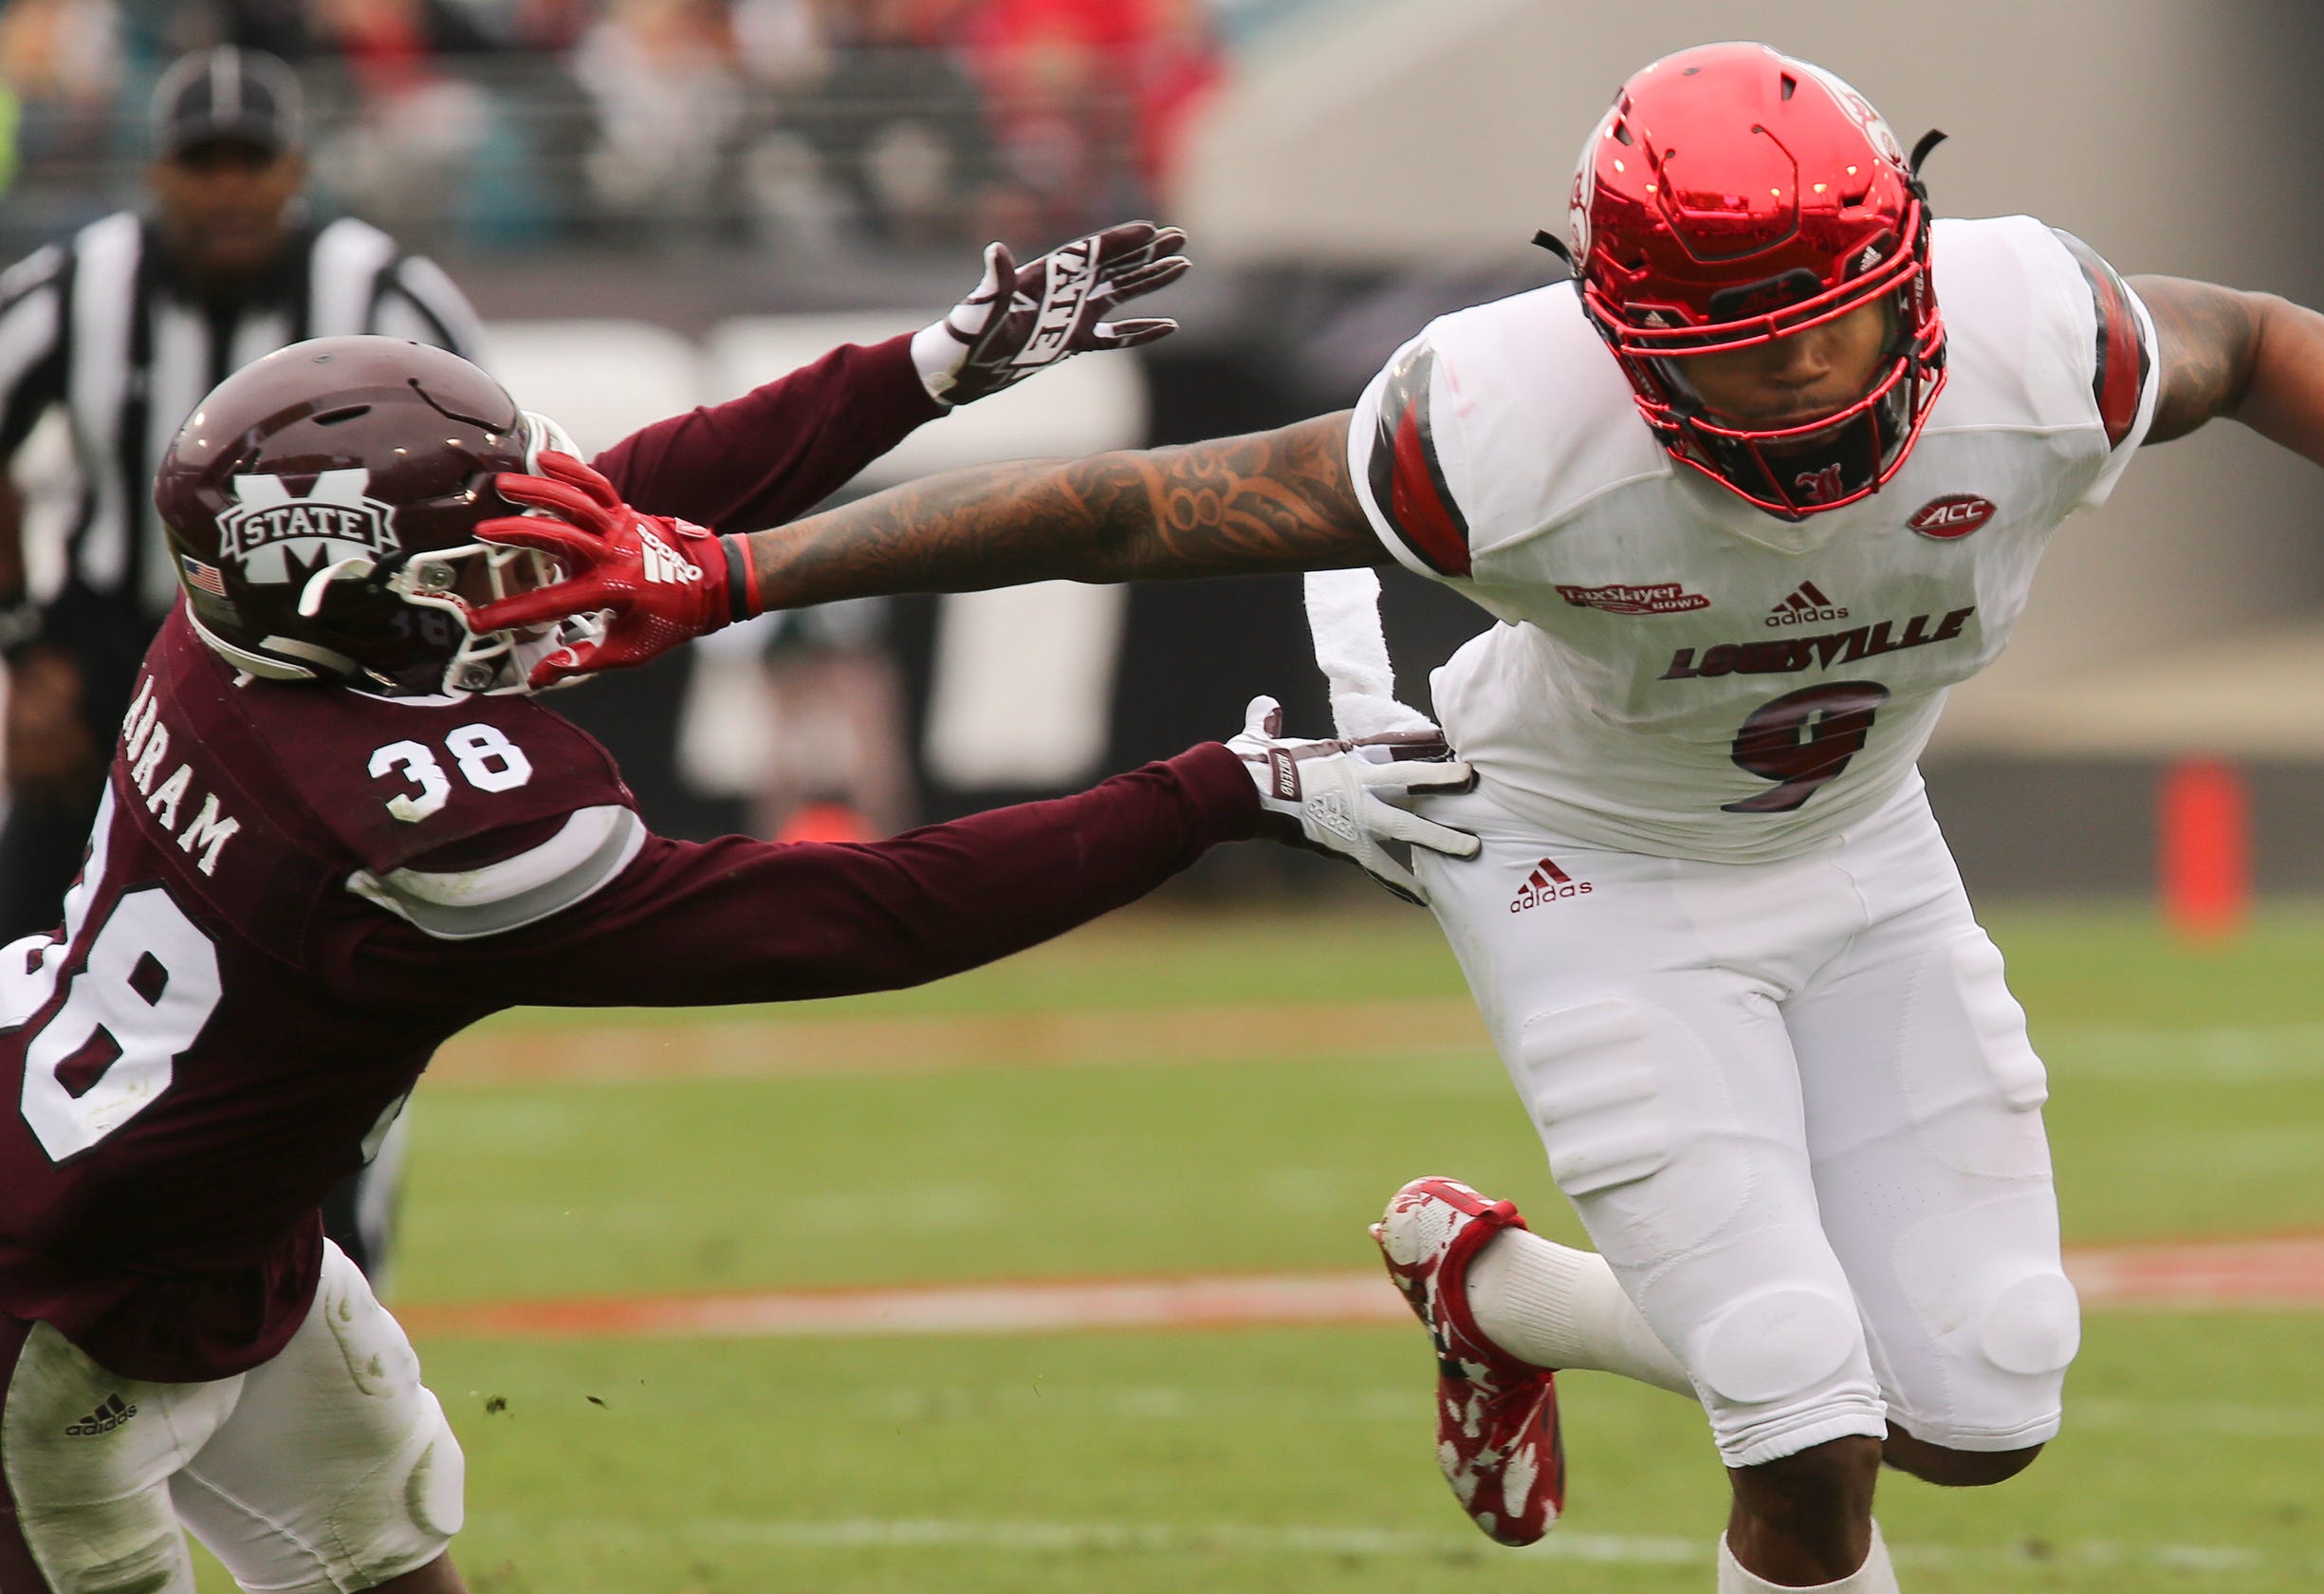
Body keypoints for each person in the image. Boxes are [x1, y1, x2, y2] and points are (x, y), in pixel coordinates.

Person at [463, 44, 2324, 1594]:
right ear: (1630, 337)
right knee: (1795, 1401)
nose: (1814, 383)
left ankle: (1495, 1292)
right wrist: (737, 569)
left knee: (1985, 1402)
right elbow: (1118, 510)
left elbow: (2262, 342)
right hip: (1581, 854)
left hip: (1860, 846)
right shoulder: (1499, 430)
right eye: (1750, 354)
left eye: (1845, 326)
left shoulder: (2033, 331)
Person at [0, 334, 1469, 1591]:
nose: (524, 582)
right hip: (58, 1307)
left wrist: (919, 371)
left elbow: (626, 499)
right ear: (351, 600)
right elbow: (871, 914)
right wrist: (1218, 791)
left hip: (207, 1228)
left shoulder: (228, 636)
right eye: (475, 569)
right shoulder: (414, 831)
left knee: (387, 1551)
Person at [0, 44, 491, 1281]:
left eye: (249, 162)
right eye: (201, 163)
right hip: (111, 667)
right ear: (157, 172)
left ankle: (337, 1277)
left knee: (327, 995)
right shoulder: (81, 284)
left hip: (321, 686)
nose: (227, 188)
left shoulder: (380, 289)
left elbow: (493, 474)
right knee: (38, 968)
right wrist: (24, 646)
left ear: (295, 170)